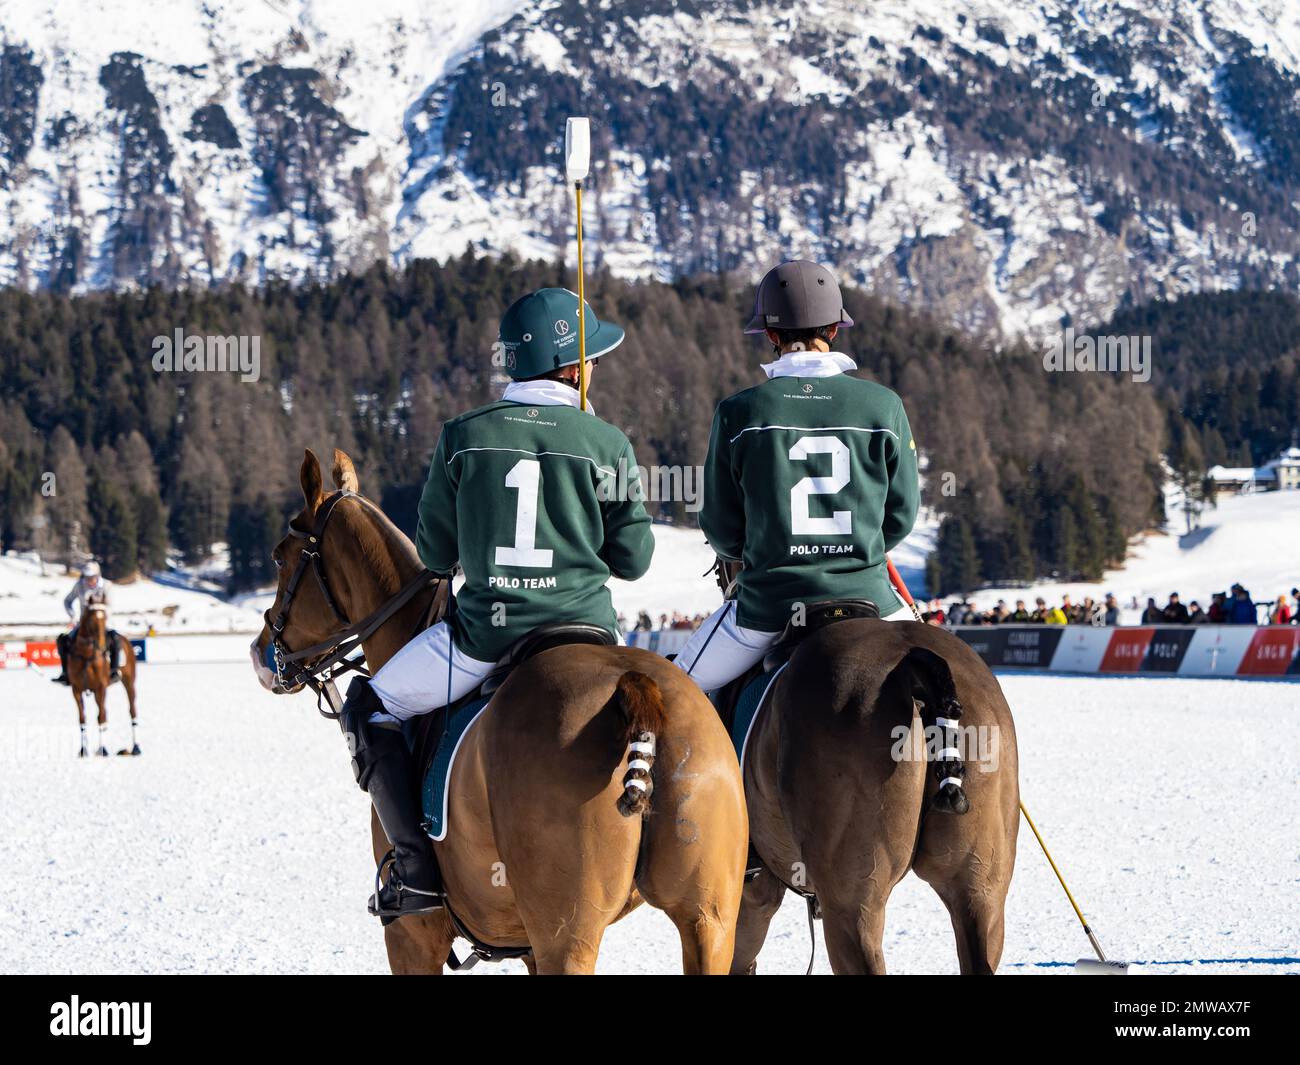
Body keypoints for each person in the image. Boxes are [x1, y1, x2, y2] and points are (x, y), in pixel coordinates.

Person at [334, 288, 655, 919]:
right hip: (587, 634)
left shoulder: (463, 436)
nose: (594, 371)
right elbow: (635, 560)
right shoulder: (606, 441)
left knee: (369, 705)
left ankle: (417, 873)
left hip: (487, 639)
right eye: (590, 361)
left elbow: (432, 553)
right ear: (571, 366)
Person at [675, 260, 919, 693]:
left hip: (769, 608)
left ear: (770, 335)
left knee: (675, 695)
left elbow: (722, 531)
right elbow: (900, 517)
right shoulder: (884, 405)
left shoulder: (740, 411)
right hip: (872, 599)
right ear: (835, 329)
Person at [55, 560, 118, 684]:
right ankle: (65, 672)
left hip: (102, 623)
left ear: (98, 575)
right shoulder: (79, 585)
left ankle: (114, 670)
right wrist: (72, 615)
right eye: (87, 577)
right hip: (83, 624)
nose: (89, 580)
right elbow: (67, 601)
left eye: (92, 577)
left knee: (115, 639)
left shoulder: (107, 585)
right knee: (62, 640)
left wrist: (101, 616)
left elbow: (110, 606)